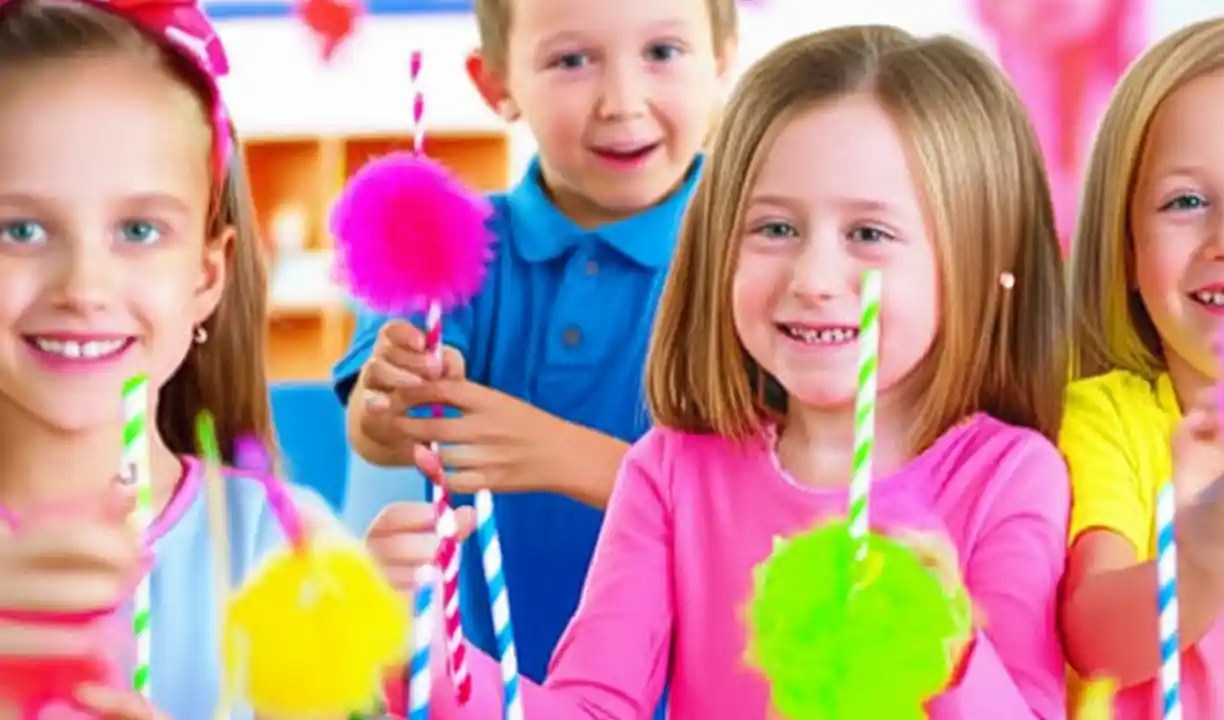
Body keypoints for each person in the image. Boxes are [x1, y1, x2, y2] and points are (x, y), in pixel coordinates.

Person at [370, 23, 1071, 719]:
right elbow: (590, 711)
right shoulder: (672, 475)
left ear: (985, 261)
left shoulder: (1009, 479)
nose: (815, 277)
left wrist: (948, 651)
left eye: (869, 234)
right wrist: (422, 644)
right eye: (775, 228)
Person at [334, 0, 738, 686]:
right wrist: (394, 394)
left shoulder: (752, 260)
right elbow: (377, 430)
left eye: (662, 52)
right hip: (486, 685)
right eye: (571, 60)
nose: (621, 102)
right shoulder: (445, 240)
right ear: (496, 83)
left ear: (723, 59)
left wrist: (562, 455)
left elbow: (765, 507)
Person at [0, 0, 334, 716]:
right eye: (20, 229)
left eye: (140, 229)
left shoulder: (285, 551)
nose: (83, 288)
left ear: (207, 276)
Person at [1060, 10, 1224, 718]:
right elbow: (1090, 637)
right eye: (1186, 201)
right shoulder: (1108, 420)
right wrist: (1199, 558)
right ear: (1124, 245)